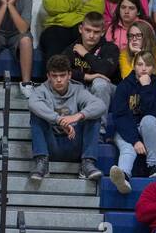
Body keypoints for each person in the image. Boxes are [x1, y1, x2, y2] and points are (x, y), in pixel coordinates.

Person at [26, 55, 105, 183]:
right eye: (54, 76)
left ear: (69, 75)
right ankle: (42, 162)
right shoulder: (41, 90)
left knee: (93, 116)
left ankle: (87, 163)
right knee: (36, 115)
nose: (58, 80)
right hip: (51, 145)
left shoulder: (78, 89)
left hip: (73, 142)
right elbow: (32, 104)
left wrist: (77, 116)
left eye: (62, 75)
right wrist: (59, 120)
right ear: (48, 76)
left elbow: (100, 105)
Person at [108, 50, 156, 192]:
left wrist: (146, 87)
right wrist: (135, 140)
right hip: (127, 128)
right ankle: (124, 177)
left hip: (152, 127)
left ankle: (153, 166)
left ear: (154, 68)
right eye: (140, 64)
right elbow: (120, 116)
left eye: (148, 65)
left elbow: (154, 113)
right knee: (128, 148)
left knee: (148, 120)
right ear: (134, 66)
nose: (143, 68)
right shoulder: (124, 86)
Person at [63, 11, 122, 108]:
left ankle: (99, 118)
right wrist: (86, 76)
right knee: (65, 82)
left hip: (108, 90)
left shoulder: (111, 48)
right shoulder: (73, 47)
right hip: (82, 87)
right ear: (80, 29)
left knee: (99, 83)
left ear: (102, 32)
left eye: (96, 32)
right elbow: (59, 70)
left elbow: (105, 70)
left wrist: (86, 54)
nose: (91, 35)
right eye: (88, 30)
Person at [119, 18, 156, 90]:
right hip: (134, 94)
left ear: (147, 37)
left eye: (138, 35)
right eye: (131, 36)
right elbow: (128, 83)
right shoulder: (124, 55)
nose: (134, 39)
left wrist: (147, 88)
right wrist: (137, 56)